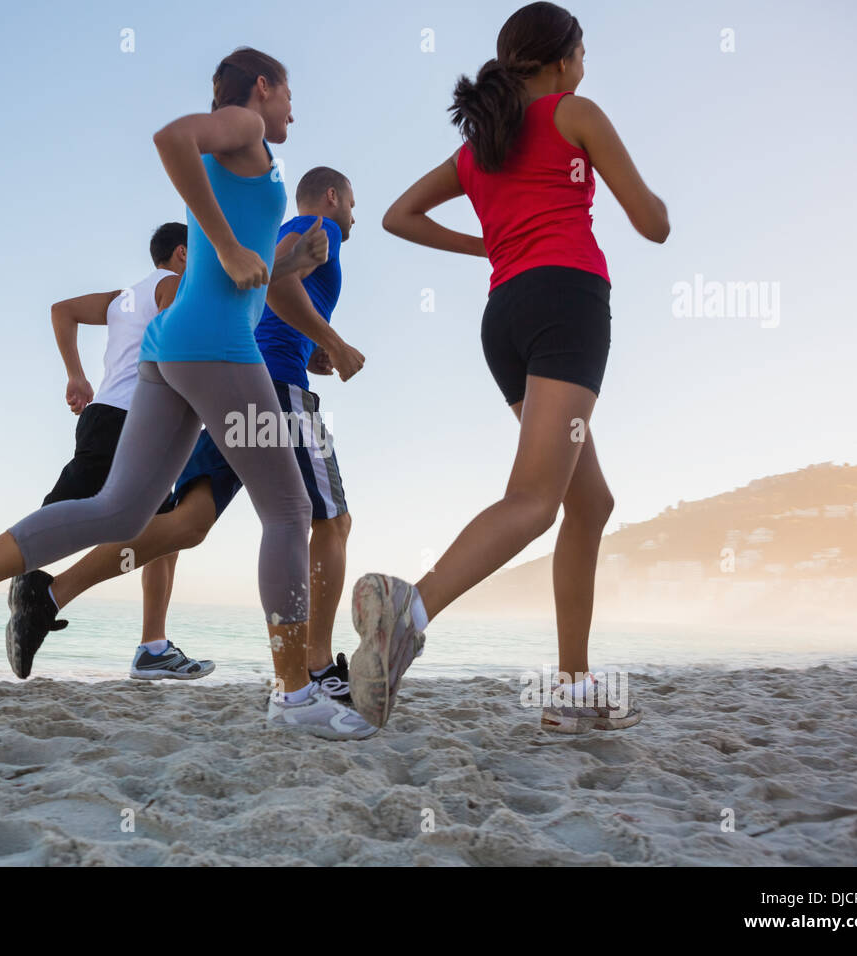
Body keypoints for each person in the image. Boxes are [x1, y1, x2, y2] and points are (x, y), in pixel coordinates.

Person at [0, 48, 375, 740]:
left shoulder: (248, 162)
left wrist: (280, 262)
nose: (293, 108)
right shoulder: (241, 125)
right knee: (290, 508)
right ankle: (294, 692)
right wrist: (230, 246)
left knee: (120, 509)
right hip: (213, 347)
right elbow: (169, 140)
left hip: (174, 347)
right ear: (262, 87)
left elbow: (237, 270)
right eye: (289, 92)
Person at [356, 1, 669, 732]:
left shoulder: (480, 147)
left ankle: (571, 684)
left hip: (506, 320)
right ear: (560, 59)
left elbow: (397, 215)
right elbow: (652, 225)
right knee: (535, 501)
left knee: (589, 503)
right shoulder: (575, 112)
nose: (585, 66)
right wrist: (646, 196)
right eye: (582, 53)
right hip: (568, 304)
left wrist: (488, 246)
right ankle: (410, 610)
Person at [12, 167, 365, 701]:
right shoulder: (319, 225)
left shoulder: (274, 237)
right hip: (271, 388)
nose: (354, 217)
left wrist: (308, 342)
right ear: (332, 197)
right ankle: (315, 667)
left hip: (225, 379)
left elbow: (267, 296)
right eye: (352, 205)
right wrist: (332, 342)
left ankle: (53, 597)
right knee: (332, 521)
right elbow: (278, 285)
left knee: (187, 523)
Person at [3, 222, 215, 682]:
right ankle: (20, 584)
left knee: (163, 533)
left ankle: (152, 645)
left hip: (105, 417)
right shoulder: (175, 285)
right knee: (84, 515)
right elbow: (171, 332)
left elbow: (61, 311)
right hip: (135, 421)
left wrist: (75, 375)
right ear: (182, 254)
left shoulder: (123, 297)